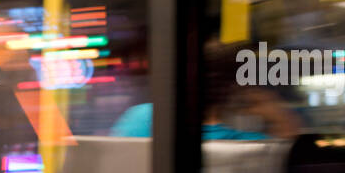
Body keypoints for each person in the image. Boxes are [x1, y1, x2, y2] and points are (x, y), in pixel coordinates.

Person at [109, 41, 302, 140]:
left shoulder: (142, 117)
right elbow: (290, 139)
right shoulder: (247, 142)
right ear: (231, 90)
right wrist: (272, 110)